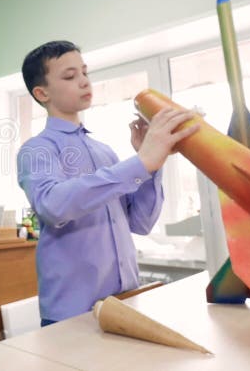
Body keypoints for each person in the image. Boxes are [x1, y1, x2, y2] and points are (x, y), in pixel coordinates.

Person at [16, 40, 198, 326]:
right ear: (42, 93)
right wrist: (141, 163)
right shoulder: (37, 149)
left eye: (84, 73)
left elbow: (140, 223)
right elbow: (52, 206)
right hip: (72, 313)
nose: (83, 81)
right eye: (69, 76)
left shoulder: (105, 152)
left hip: (125, 300)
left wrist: (151, 163)